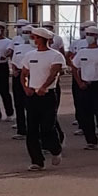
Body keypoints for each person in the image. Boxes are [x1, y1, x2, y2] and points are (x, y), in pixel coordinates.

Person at [14, 27, 67, 170]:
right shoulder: (30, 55)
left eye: (36, 37)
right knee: (31, 130)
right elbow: (24, 74)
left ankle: (55, 149)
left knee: (47, 127)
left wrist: (44, 87)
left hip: (48, 95)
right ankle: (36, 161)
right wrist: (26, 87)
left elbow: (54, 73)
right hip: (32, 96)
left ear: (44, 39)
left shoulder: (55, 55)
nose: (34, 40)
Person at [69, 25, 98, 149]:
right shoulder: (82, 52)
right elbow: (74, 67)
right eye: (87, 34)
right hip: (85, 84)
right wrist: (79, 82)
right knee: (85, 113)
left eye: (91, 35)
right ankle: (91, 141)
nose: (88, 37)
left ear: (96, 36)